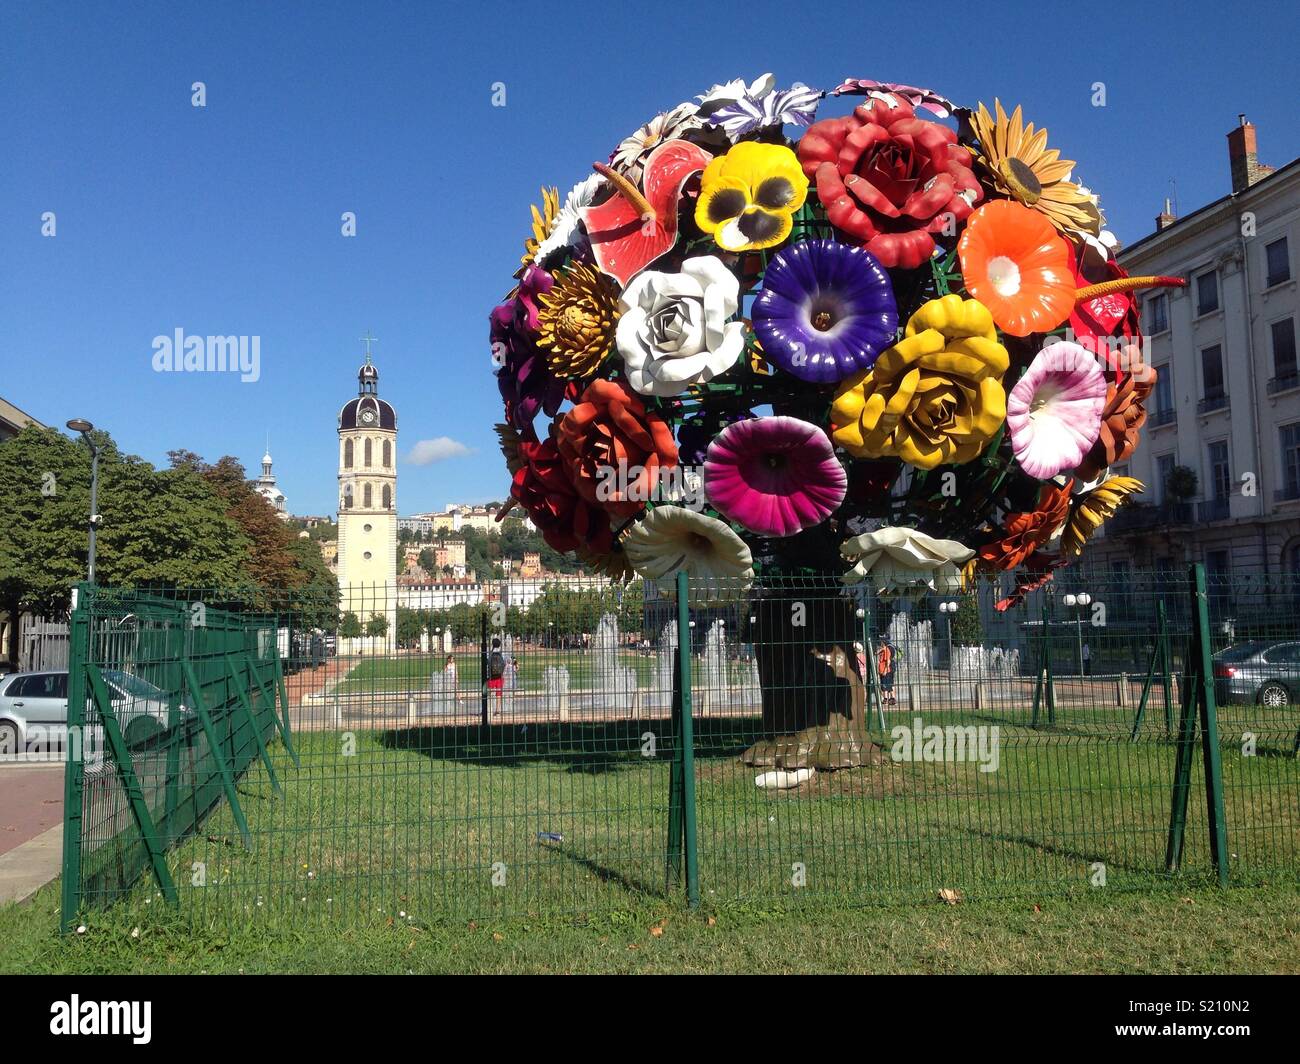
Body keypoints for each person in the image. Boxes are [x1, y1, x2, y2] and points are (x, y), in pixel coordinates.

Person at [876, 637, 897, 707]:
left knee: (888, 684)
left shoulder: (887, 650)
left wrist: (885, 670)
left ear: (883, 642)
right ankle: (886, 698)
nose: (880, 643)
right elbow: (876, 653)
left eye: (881, 642)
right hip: (882, 670)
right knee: (884, 684)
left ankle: (892, 698)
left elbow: (888, 661)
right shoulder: (883, 649)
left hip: (886, 671)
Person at [486, 637, 506, 705]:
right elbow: (504, 663)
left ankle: (489, 708)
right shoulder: (501, 653)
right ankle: (497, 711)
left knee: (489, 693)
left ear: (492, 644)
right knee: (498, 694)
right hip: (500, 676)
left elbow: (488, 662)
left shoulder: (490, 653)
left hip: (491, 676)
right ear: (499, 644)